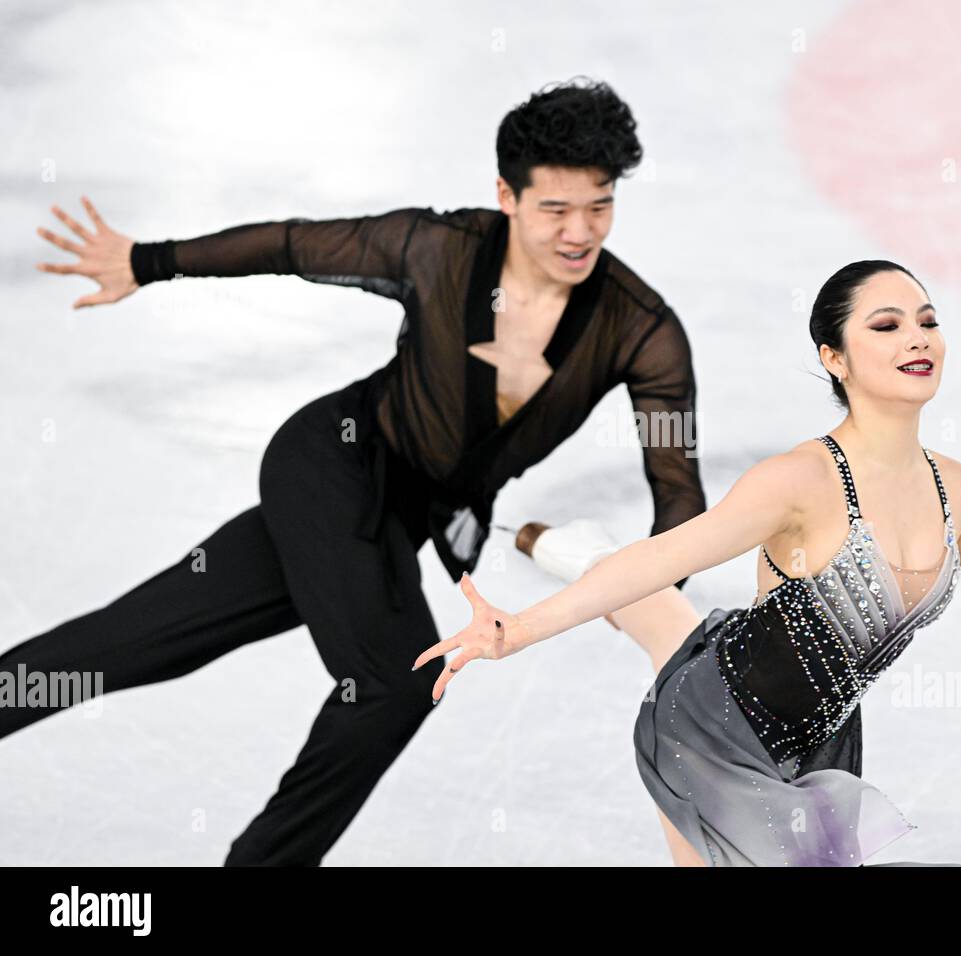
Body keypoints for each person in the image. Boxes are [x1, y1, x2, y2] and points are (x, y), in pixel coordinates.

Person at [6, 78, 719, 866]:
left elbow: (679, 497)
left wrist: (661, 609)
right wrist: (148, 261)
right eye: (556, 209)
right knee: (398, 679)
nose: (580, 232)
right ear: (506, 197)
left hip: (399, 518)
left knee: (144, 638)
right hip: (330, 464)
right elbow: (292, 243)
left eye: (600, 206)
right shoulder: (437, 246)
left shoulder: (642, 330)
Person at [415, 261, 961, 867]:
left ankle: (568, 541)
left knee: (670, 628)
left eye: (928, 321)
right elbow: (660, 558)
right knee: (661, 619)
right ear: (834, 357)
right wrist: (513, 633)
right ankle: (572, 551)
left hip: (822, 741)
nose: (918, 337)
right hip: (709, 732)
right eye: (887, 325)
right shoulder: (800, 480)